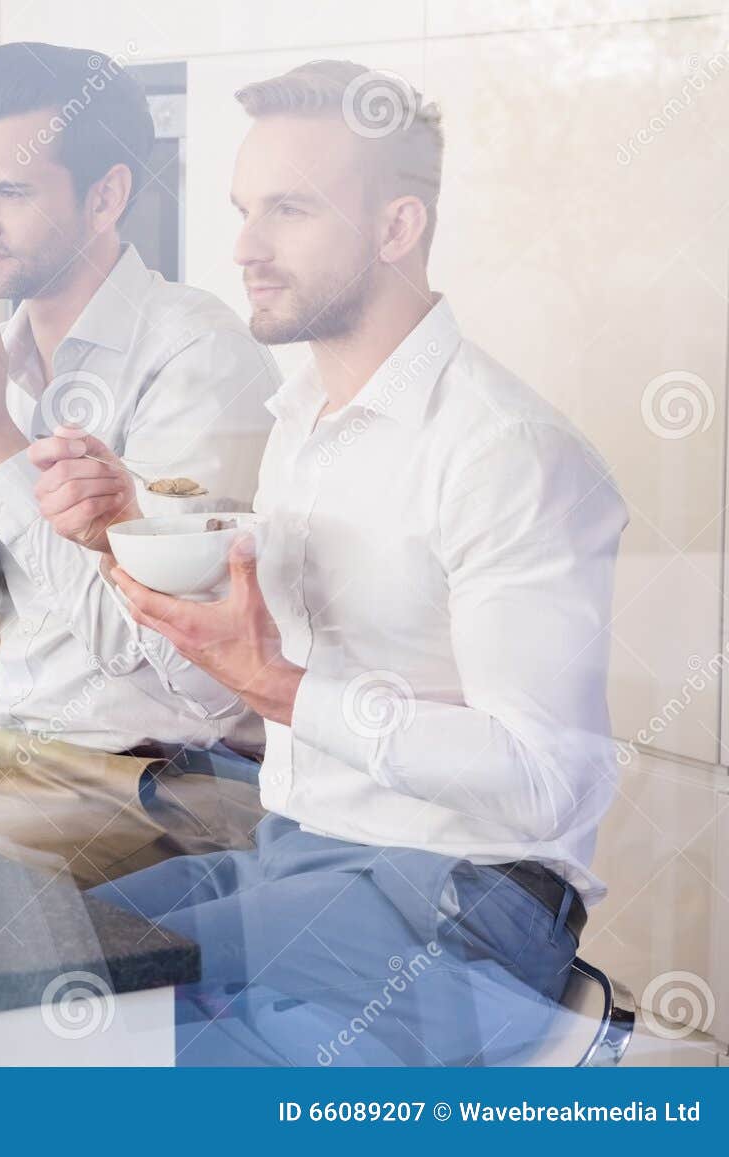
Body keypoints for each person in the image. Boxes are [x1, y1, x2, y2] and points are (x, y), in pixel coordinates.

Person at [31, 60, 628, 1063]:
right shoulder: (302, 420)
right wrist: (124, 543)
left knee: (84, 1036)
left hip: (458, 898)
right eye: (244, 209)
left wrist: (283, 685)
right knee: (13, 968)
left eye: (290, 211)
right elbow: (235, 677)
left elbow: (548, 783)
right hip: (298, 855)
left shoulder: (504, 452)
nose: (246, 248)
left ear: (397, 228)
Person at [0, 42, 280, 889]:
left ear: (106, 196)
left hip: (167, 782)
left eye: (11, 192)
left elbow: (155, 646)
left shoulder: (198, 357)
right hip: (15, 760)